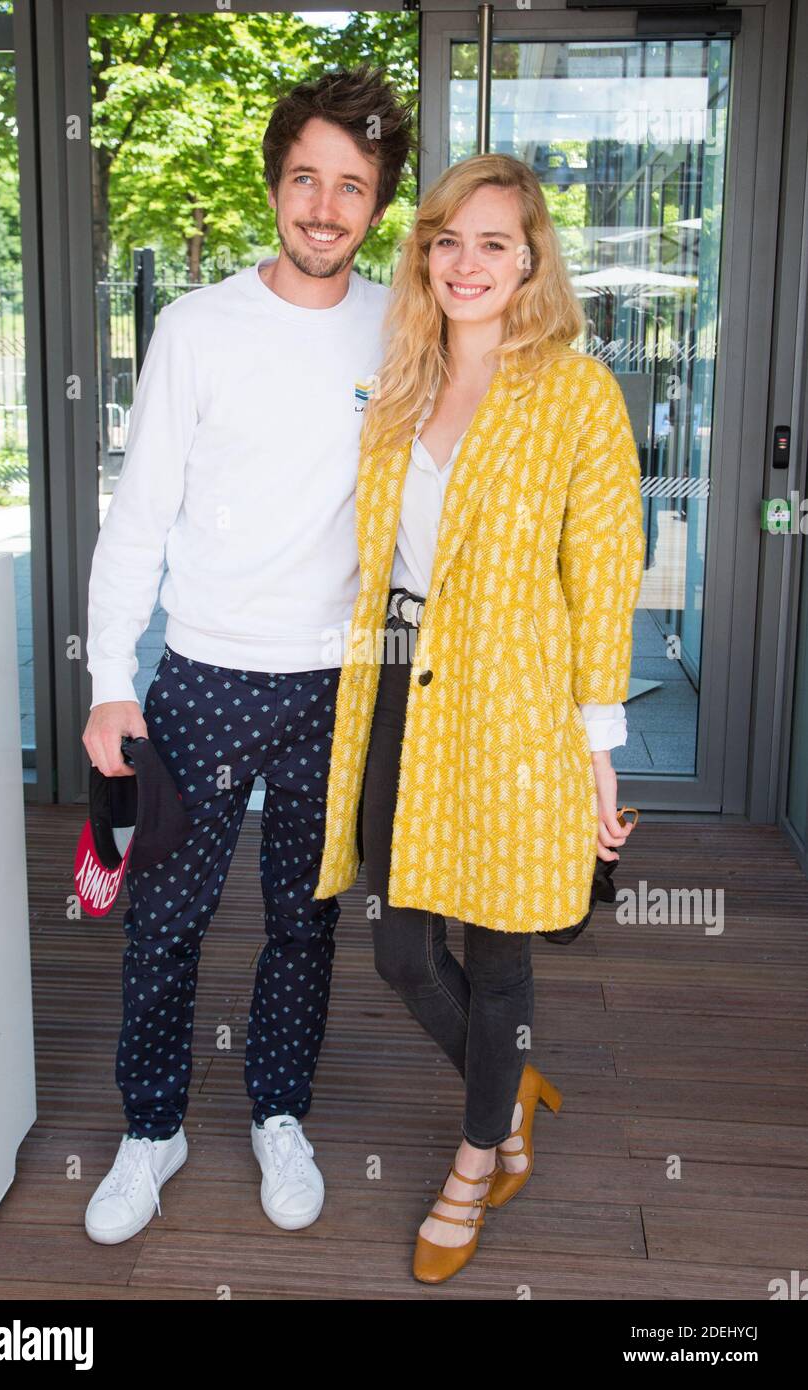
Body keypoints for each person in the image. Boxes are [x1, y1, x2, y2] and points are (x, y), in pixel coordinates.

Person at [81, 65, 415, 1244]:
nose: (323, 207)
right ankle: (151, 1128)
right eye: (305, 179)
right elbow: (137, 517)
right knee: (164, 918)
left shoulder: (399, 324)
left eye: (352, 186)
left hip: (338, 680)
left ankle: (279, 1108)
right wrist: (109, 679)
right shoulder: (197, 327)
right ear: (274, 184)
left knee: (302, 919)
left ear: (377, 203)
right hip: (207, 676)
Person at [312, 153, 646, 1282]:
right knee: (399, 947)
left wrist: (599, 753)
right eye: (447, 239)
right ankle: (506, 1085)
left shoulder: (574, 392)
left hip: (516, 700)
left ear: (529, 259)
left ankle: (479, 1147)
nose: (466, 263)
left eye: (493, 242)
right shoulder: (397, 377)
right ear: (424, 255)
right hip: (402, 677)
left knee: (499, 946)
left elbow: (602, 578)